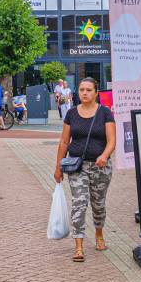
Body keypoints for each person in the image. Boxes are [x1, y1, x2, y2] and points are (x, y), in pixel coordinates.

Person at [53, 77, 115, 262]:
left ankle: (98, 233)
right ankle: (78, 245)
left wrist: (104, 156)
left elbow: (111, 140)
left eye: (89, 90)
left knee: (98, 204)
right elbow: (64, 142)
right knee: (79, 203)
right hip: (77, 166)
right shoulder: (71, 113)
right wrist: (58, 167)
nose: (85, 93)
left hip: (100, 167)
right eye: (82, 90)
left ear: (96, 93)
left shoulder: (105, 113)